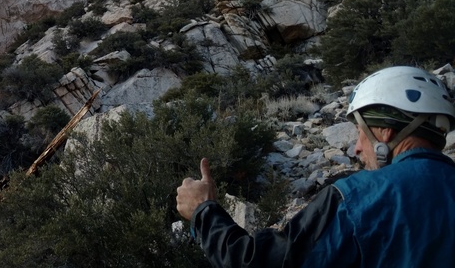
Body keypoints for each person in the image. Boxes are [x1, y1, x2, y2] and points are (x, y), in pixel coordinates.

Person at [176, 65, 455, 267]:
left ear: (386, 132)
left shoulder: (355, 199)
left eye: (361, 131)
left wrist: (203, 211)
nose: (356, 148)